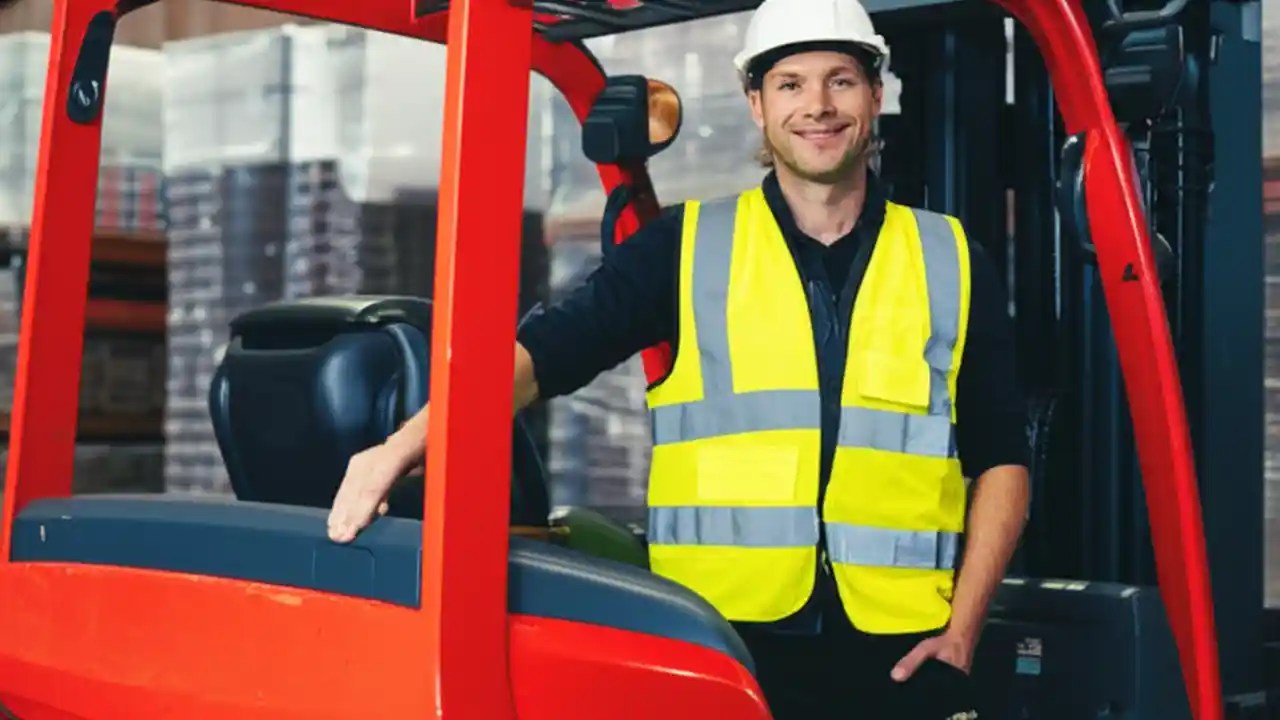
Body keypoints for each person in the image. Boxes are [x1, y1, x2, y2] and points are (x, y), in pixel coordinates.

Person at [328, 0, 1030, 716]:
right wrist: (400, 445)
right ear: (756, 104)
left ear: (876, 96)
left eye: (840, 81)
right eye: (790, 84)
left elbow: (1001, 453)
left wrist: (965, 627)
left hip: (897, 655)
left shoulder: (949, 257)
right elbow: (542, 355)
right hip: (725, 645)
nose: (817, 105)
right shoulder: (685, 247)